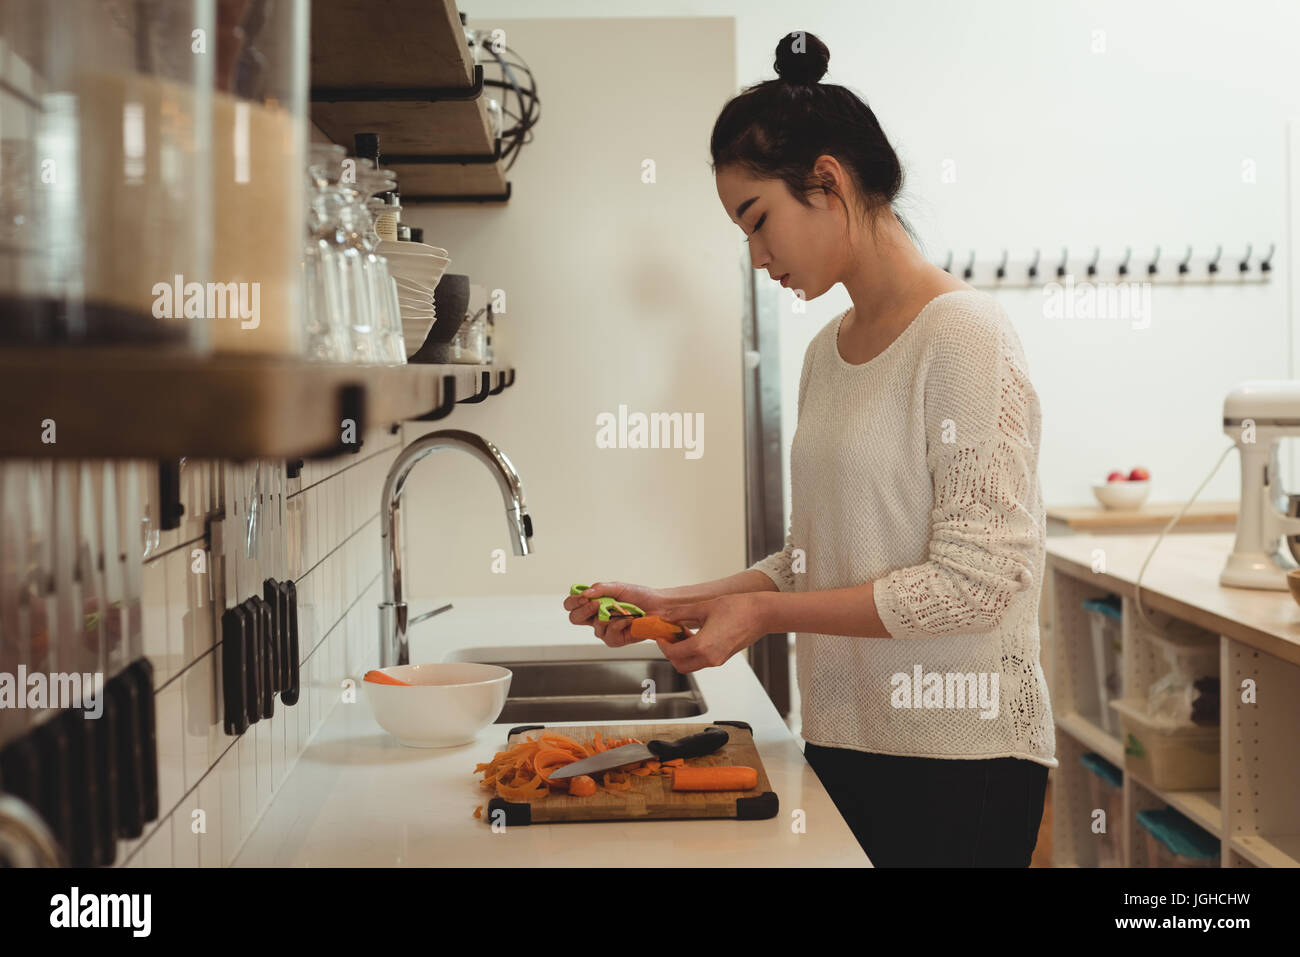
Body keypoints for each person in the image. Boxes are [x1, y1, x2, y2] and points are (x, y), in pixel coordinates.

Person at [563, 31, 1056, 867]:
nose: (757, 258)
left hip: (962, 755)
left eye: (759, 221)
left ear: (827, 182)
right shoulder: (828, 353)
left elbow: (976, 585)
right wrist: (677, 601)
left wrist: (763, 616)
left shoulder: (967, 336)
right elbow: (813, 558)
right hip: (842, 739)